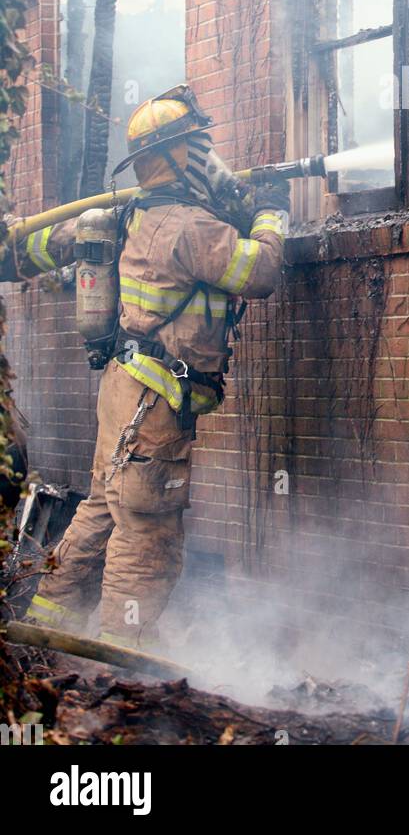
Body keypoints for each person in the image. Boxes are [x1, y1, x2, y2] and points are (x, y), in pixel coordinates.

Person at [5, 85, 286, 647]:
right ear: (176, 154)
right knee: (148, 522)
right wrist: (269, 216)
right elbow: (259, 272)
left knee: (104, 508)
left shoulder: (132, 214)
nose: (208, 154)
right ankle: (123, 650)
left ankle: (44, 635)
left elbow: (43, 245)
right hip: (155, 403)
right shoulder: (189, 226)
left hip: (122, 385)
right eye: (198, 145)